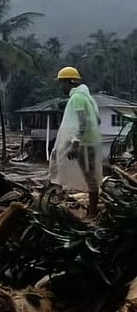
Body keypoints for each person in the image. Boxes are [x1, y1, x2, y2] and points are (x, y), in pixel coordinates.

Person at [49, 66, 102, 216]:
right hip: (91, 142)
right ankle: (92, 210)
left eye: (62, 83)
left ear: (68, 82)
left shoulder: (77, 98)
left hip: (83, 144)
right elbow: (96, 121)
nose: (61, 87)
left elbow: (83, 121)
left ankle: (91, 213)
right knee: (91, 177)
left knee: (59, 167)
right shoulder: (88, 97)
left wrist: (75, 142)